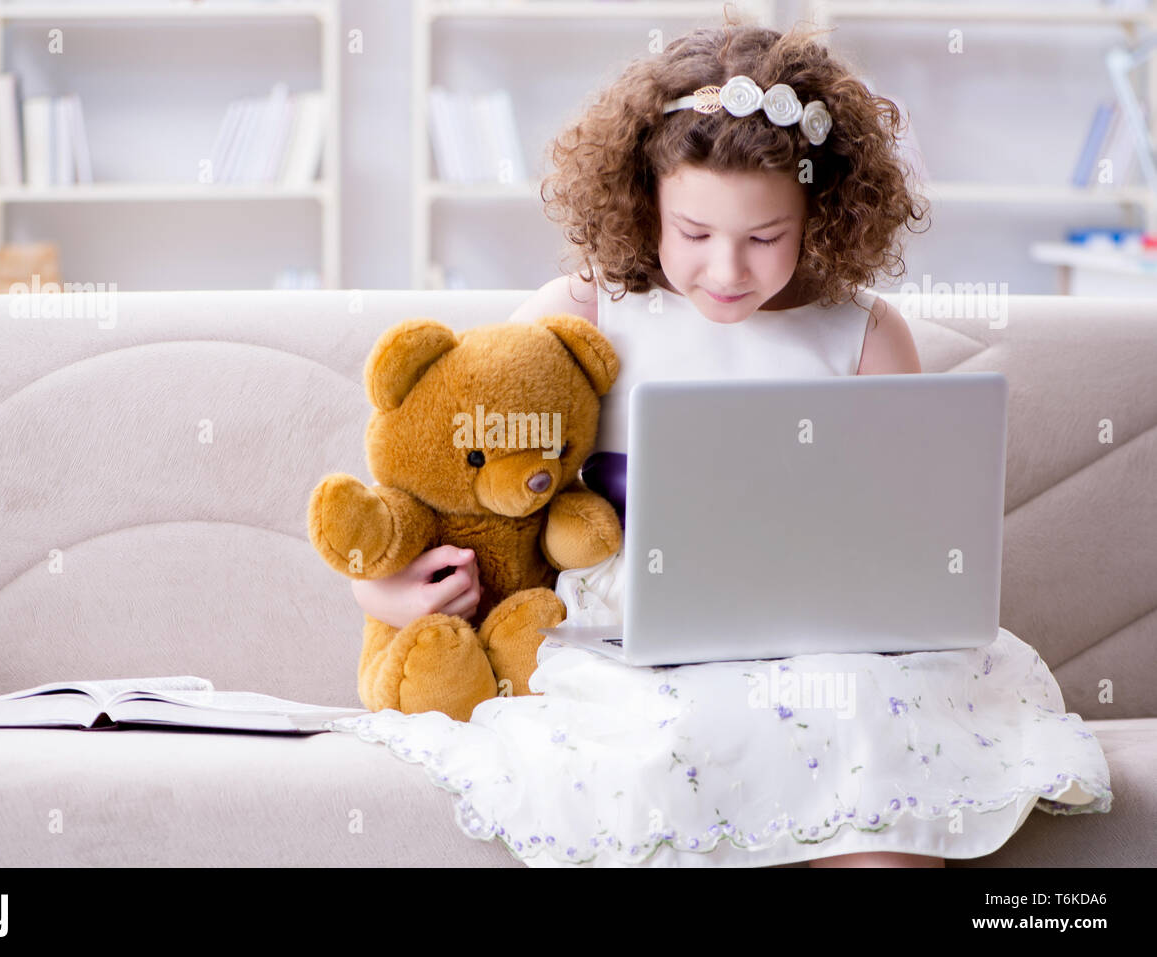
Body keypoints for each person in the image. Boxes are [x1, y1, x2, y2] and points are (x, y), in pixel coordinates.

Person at [335, 19, 1111, 868]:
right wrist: (391, 595)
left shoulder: (863, 334)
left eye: (765, 237)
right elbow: (453, 483)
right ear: (644, 203)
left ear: (821, 210)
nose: (729, 270)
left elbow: (913, 545)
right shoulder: (580, 317)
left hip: (819, 654)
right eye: (695, 235)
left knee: (873, 767)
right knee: (668, 749)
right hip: (625, 655)